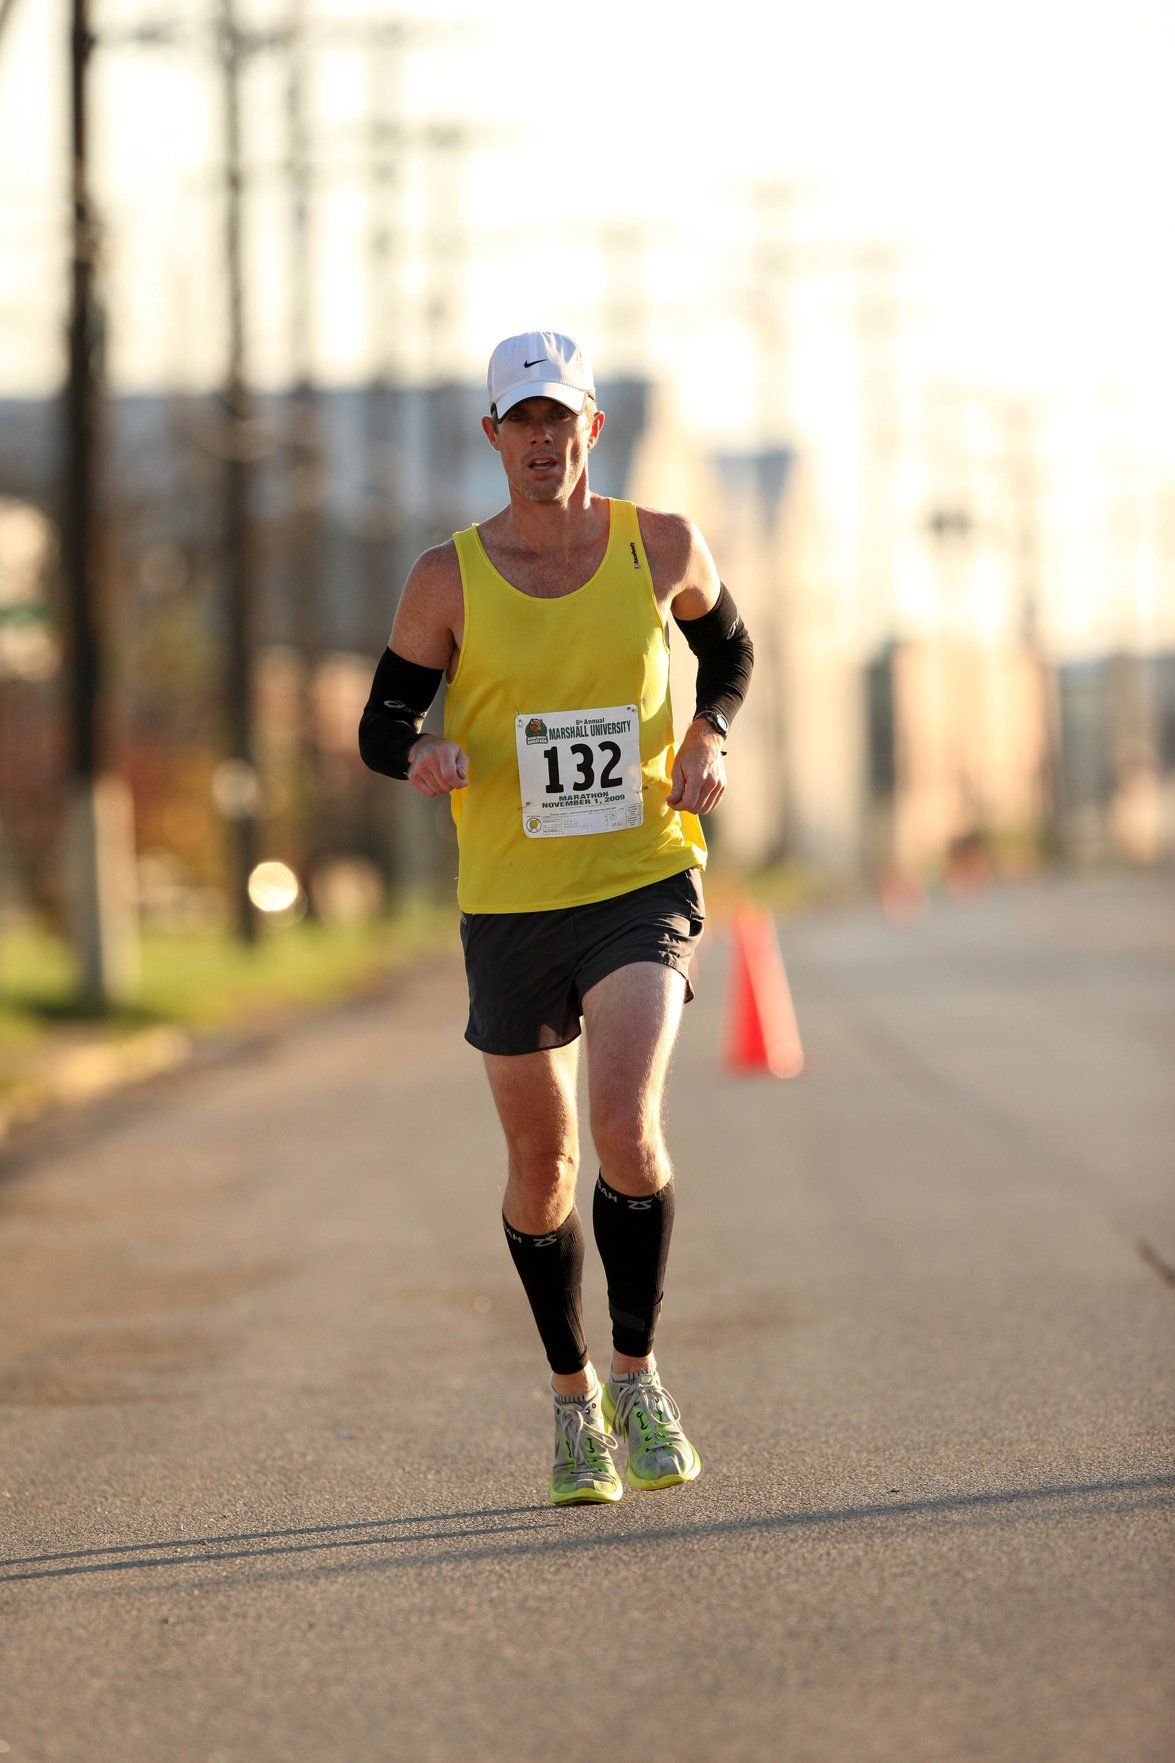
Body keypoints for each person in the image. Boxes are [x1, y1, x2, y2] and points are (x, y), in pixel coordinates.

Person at [359, 330, 753, 1504]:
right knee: (544, 1161)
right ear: (492, 437)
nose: (541, 442)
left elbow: (726, 649)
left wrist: (707, 730)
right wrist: (421, 751)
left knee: (625, 1129)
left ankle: (634, 1371)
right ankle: (572, 1394)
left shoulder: (660, 544)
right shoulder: (445, 578)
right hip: (510, 901)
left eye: (559, 419)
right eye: (519, 422)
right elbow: (380, 722)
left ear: (592, 428)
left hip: (640, 874)